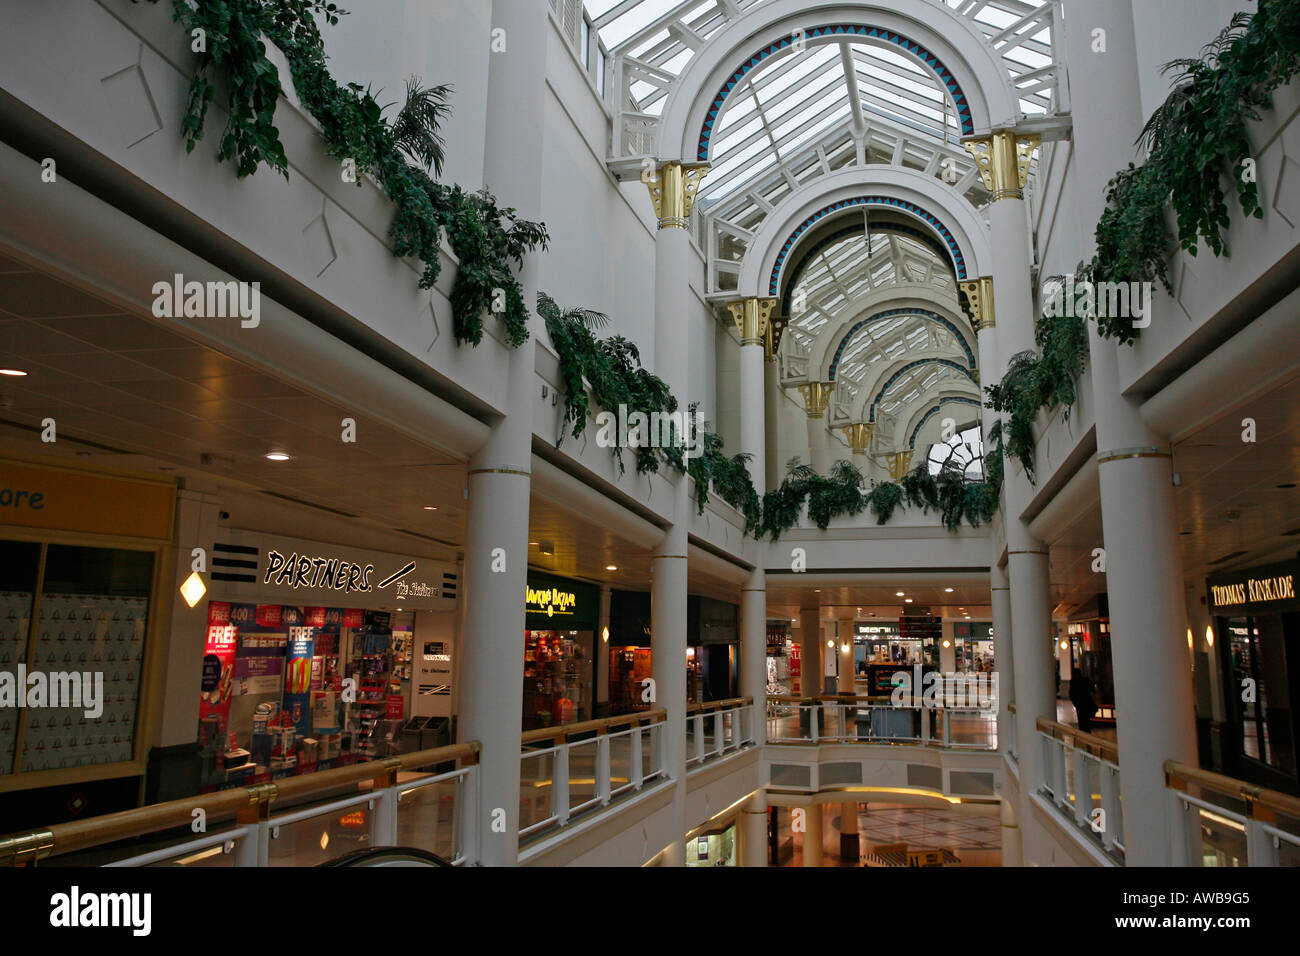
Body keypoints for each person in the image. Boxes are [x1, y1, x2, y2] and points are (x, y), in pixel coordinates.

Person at [1069, 667, 1097, 733]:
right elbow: (1092, 690)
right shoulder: (1085, 680)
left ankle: (1084, 734)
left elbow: (1071, 694)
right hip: (1086, 704)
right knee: (1087, 721)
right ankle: (1087, 733)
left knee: (1082, 722)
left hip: (1080, 706)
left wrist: (1075, 704)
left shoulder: (1073, 682)